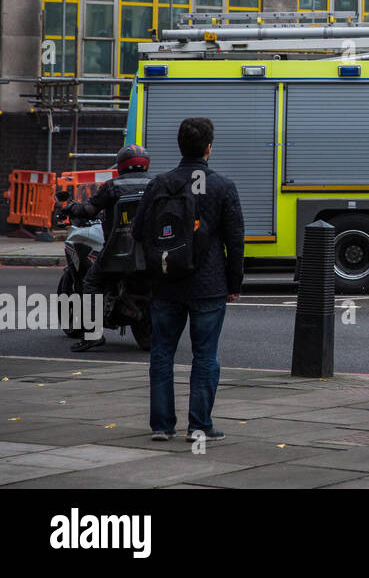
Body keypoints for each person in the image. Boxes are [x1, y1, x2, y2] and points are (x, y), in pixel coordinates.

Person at [133, 118, 244, 443]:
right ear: (208, 147)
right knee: (205, 355)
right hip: (208, 284)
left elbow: (140, 232)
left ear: (180, 146)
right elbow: (235, 241)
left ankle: (162, 426)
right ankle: (199, 426)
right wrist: (234, 283)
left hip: (166, 282)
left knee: (162, 353)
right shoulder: (223, 186)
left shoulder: (159, 184)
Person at [65, 144, 153, 353]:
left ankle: (93, 335)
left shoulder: (112, 186)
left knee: (92, 282)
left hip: (118, 253)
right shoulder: (155, 185)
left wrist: (72, 208)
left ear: (121, 165)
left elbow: (88, 209)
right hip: (149, 254)